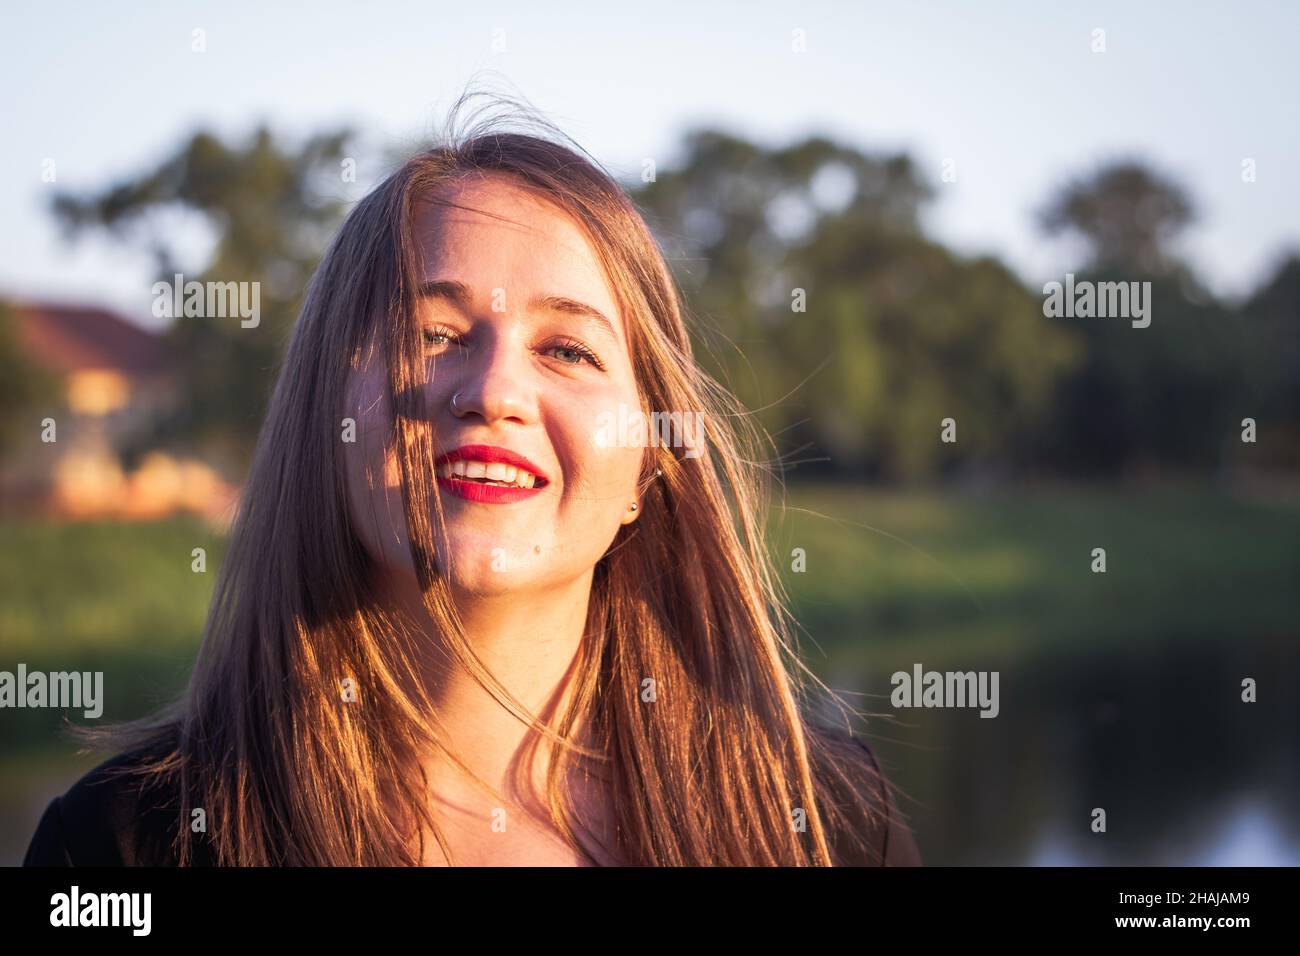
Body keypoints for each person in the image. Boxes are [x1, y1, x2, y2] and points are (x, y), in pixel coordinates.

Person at [24, 94, 919, 867]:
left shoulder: (827, 822)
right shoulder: (126, 844)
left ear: (649, 461)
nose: (494, 392)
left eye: (567, 350)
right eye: (434, 335)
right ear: (324, 415)